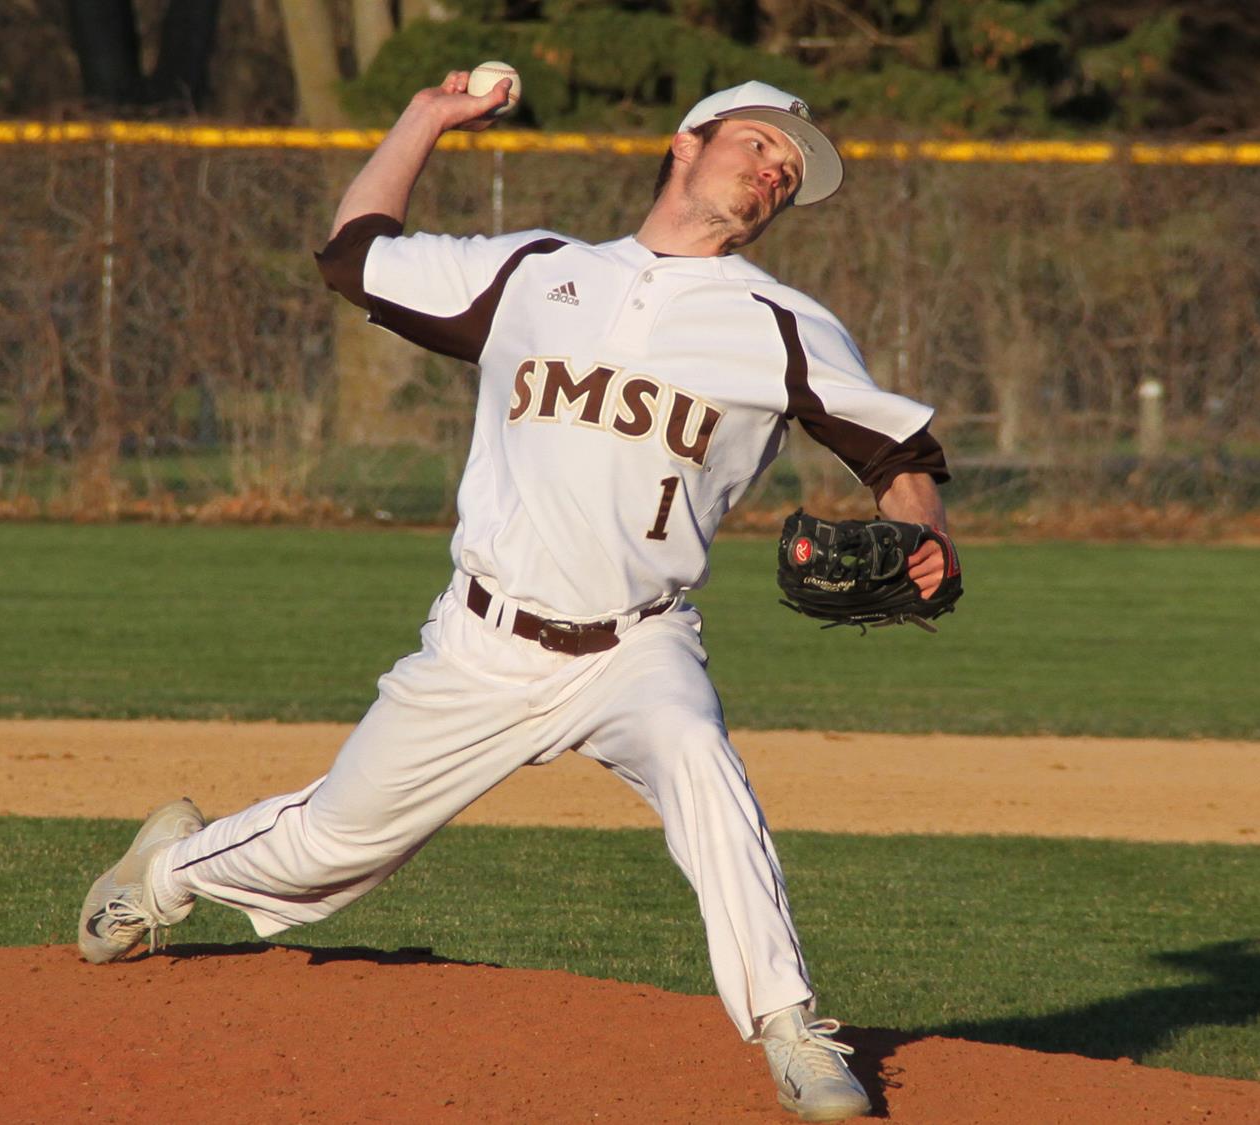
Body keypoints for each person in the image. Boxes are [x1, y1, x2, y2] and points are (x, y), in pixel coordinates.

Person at [76, 73, 954, 1124]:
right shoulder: (534, 272)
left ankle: (791, 1032)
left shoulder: (780, 326)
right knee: (332, 850)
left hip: (637, 646)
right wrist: (427, 119)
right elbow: (352, 255)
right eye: (761, 145)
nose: (773, 174)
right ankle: (164, 873)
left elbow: (896, 450)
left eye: (790, 172)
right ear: (687, 143)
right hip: (483, 642)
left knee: (700, 767)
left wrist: (925, 535)